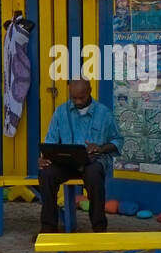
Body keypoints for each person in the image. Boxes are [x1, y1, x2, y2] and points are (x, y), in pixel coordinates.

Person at [38, 80, 123, 235]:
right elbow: (50, 141)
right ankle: (48, 228)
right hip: (66, 163)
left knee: (93, 174)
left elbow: (118, 141)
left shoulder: (104, 113)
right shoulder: (60, 112)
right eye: (74, 98)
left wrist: (101, 148)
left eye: (81, 98)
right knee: (46, 174)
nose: (77, 102)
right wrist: (45, 157)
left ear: (90, 91)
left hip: (93, 161)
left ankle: (99, 228)